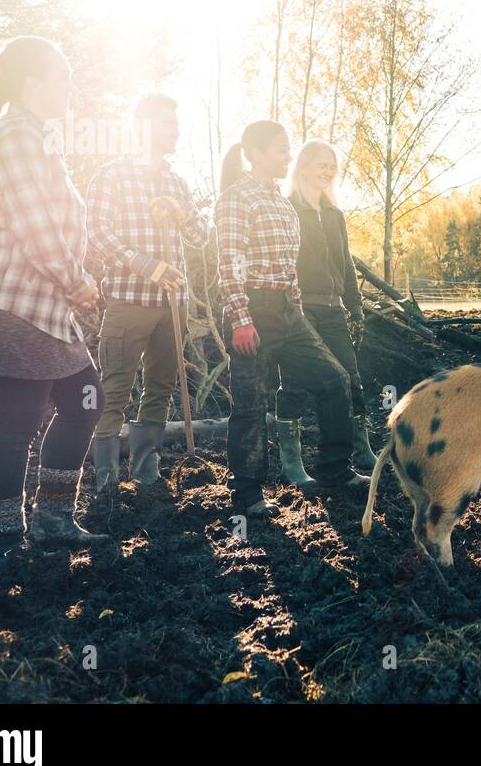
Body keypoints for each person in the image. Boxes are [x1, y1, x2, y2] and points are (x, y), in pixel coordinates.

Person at [0, 35, 108, 569]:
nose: (69, 89)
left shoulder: (32, 136)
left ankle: (51, 518)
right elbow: (34, 224)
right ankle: (0, 541)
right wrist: (75, 280)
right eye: (61, 77)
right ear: (32, 81)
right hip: (15, 302)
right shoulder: (15, 133)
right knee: (16, 423)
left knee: (84, 395)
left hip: (38, 305)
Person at [214, 121, 357, 518]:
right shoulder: (236, 199)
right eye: (280, 149)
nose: (287, 156)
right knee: (250, 404)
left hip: (288, 312)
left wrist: (295, 306)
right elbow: (229, 263)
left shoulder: (280, 201)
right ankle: (247, 495)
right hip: (253, 312)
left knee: (334, 380)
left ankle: (334, 469)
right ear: (256, 154)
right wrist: (241, 319)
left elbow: (288, 266)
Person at [85, 94, 209, 496]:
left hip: (172, 306)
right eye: (167, 124)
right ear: (144, 128)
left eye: (176, 123)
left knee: (160, 386)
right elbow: (99, 234)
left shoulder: (176, 183)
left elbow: (200, 239)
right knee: (114, 388)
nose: (175, 130)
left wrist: (183, 214)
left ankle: (146, 469)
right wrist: (149, 266)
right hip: (127, 299)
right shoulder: (111, 176)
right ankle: (106, 476)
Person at [286, 140, 377, 482]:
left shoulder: (335, 214)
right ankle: (292, 461)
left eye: (331, 166)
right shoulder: (290, 210)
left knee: (350, 377)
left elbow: (346, 264)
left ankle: (359, 448)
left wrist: (355, 306)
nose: (327, 171)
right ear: (303, 166)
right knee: (294, 383)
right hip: (299, 307)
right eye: (320, 164)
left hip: (332, 307)